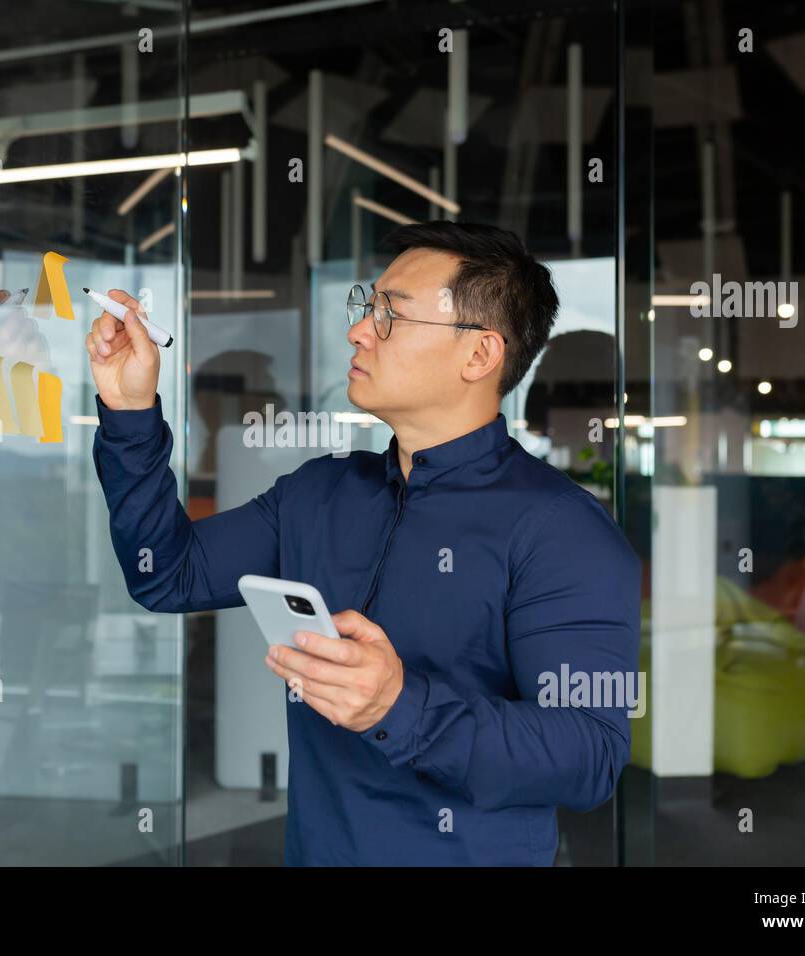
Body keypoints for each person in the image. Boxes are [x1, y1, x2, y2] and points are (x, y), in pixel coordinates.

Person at [85, 220, 641, 866]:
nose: (358, 330)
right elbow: (166, 573)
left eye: (390, 315)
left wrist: (401, 706)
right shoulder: (318, 494)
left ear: (480, 355)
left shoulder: (562, 529)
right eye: (365, 306)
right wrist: (130, 413)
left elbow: (591, 754)